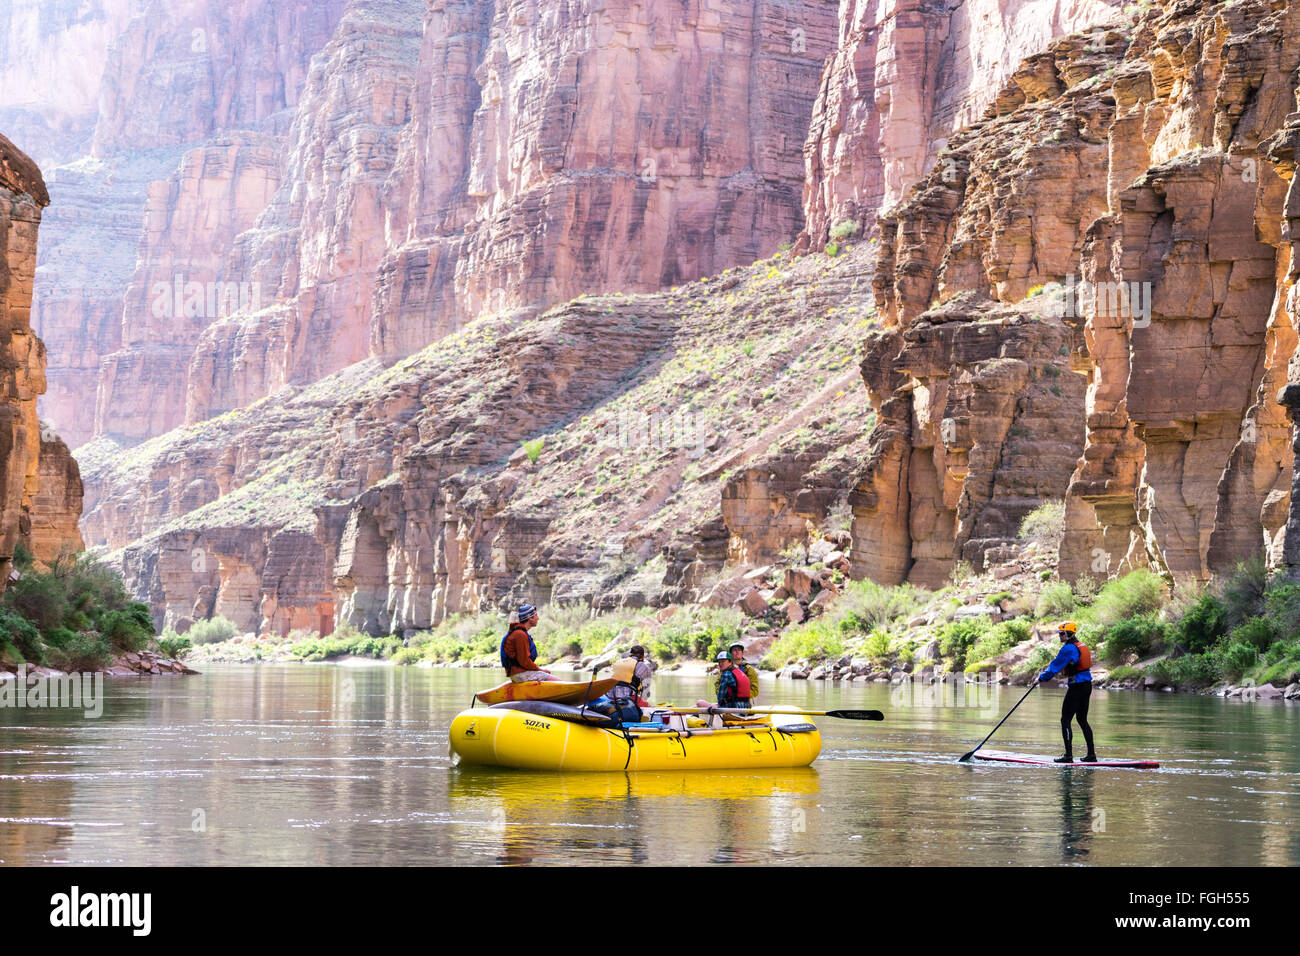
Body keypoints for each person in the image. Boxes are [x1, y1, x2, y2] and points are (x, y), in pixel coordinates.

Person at [1036, 621, 1095, 763]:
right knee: (1082, 720)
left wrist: (1041, 678)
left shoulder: (1068, 648)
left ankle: (1068, 756)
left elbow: (1055, 666)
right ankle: (1091, 755)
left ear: (1069, 634)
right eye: (1059, 633)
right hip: (1087, 686)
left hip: (1077, 688)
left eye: (1062, 634)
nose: (1060, 636)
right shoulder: (1080, 646)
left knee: (1065, 720)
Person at [499, 604, 554, 682]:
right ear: (530, 618)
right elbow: (524, 661)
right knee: (555, 679)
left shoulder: (519, 633)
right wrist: (540, 670)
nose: (538, 618)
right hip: (520, 674)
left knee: (546, 674)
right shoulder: (520, 634)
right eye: (536, 615)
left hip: (518, 673)